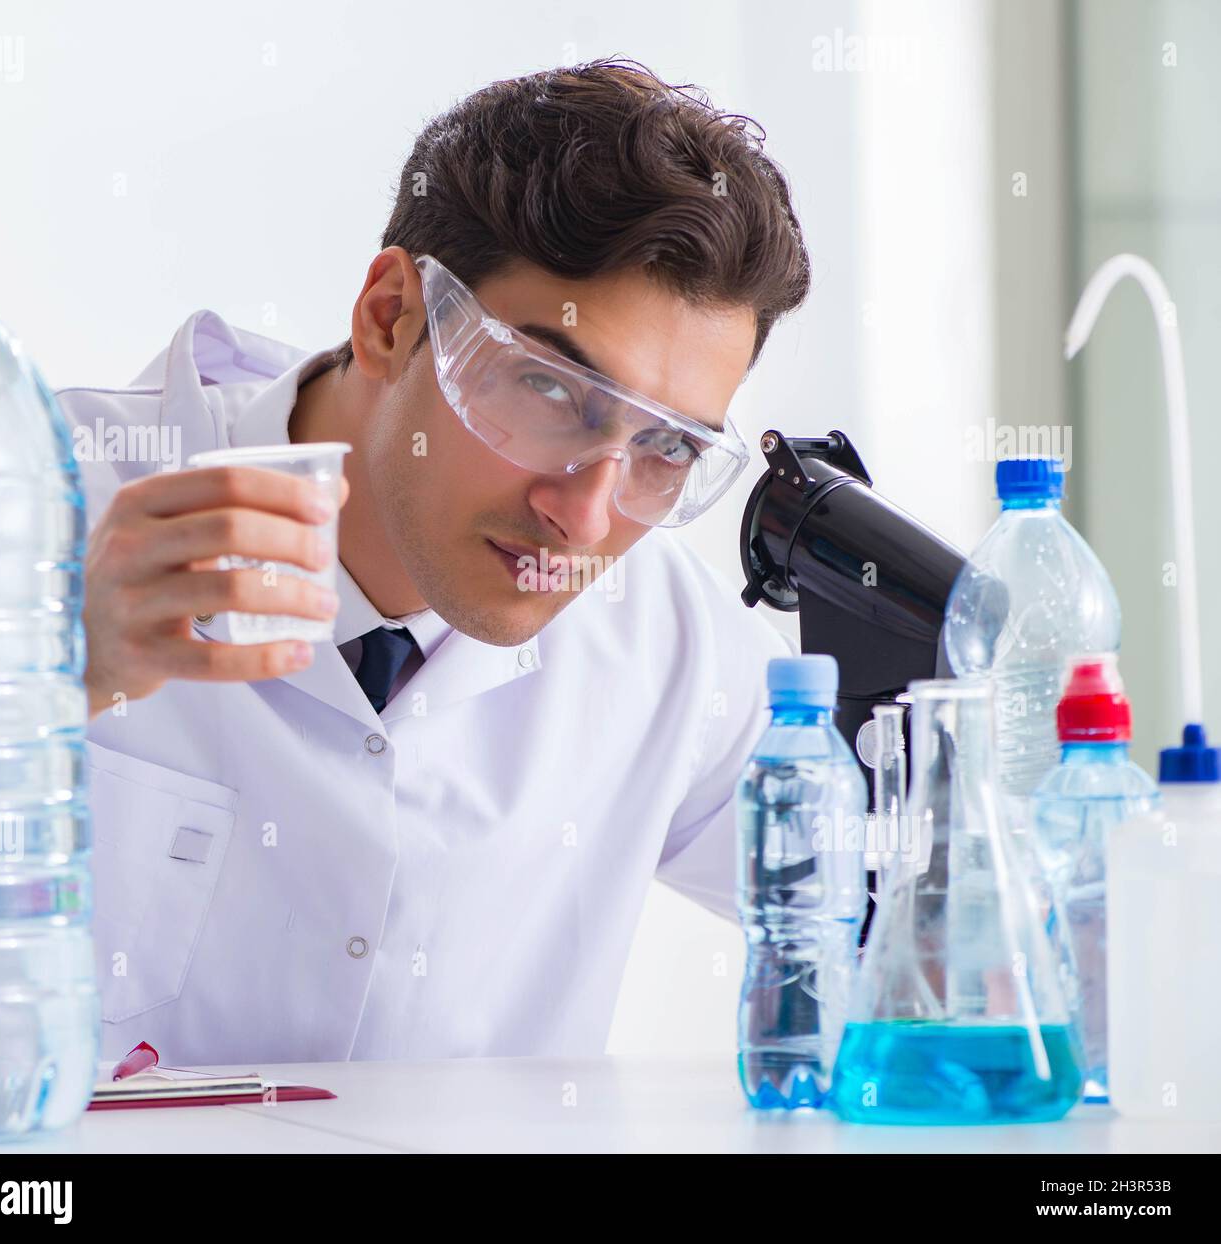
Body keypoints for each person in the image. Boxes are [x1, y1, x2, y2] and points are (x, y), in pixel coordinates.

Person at [64, 58, 810, 1065]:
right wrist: (35, 690)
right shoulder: (21, 511)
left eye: (668, 445)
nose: (585, 516)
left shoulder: (668, 639)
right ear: (391, 319)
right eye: (549, 391)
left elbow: (912, 923)